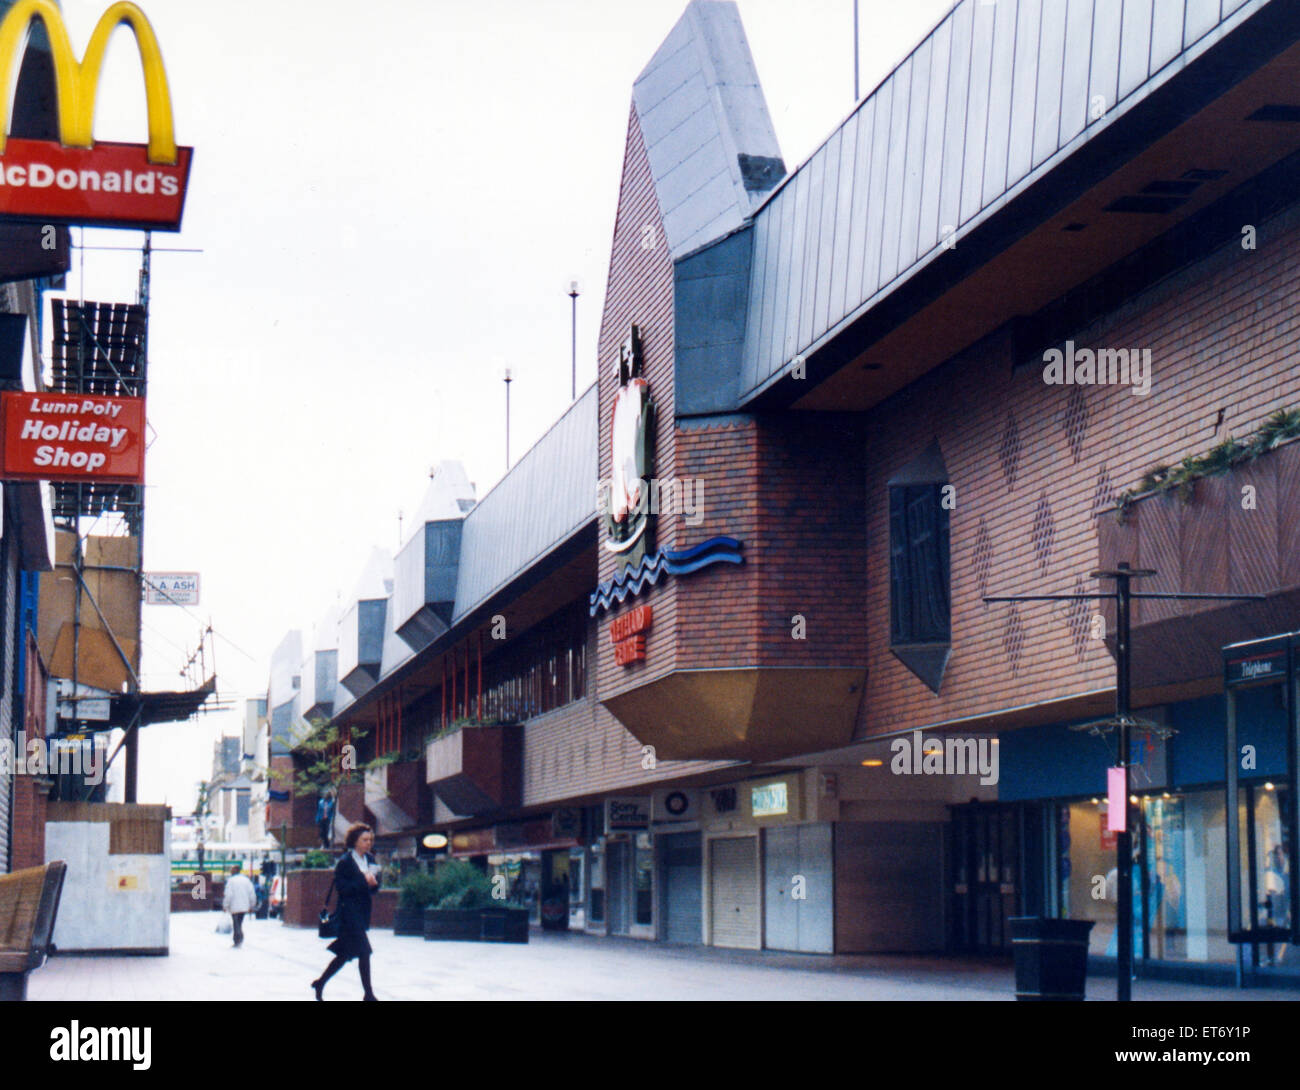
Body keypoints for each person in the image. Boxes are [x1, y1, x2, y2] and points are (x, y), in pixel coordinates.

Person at [312, 823, 379, 1001]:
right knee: (365, 952)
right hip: (349, 914)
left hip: (362, 913)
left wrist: (373, 884)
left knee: (344, 956)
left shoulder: (370, 860)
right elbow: (343, 889)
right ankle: (369, 994)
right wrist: (363, 881)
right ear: (355, 841)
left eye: (370, 839)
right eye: (364, 840)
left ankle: (320, 983)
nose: (368, 843)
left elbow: (372, 889)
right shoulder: (345, 862)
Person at [222, 863, 257, 948]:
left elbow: (228, 894)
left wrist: (225, 905)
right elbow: (251, 893)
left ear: (234, 871)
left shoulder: (231, 881)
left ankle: (238, 939)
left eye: (231, 870)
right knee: (239, 922)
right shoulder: (246, 880)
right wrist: (252, 904)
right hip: (244, 906)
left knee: (236, 923)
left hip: (234, 906)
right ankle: (239, 938)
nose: (230, 872)